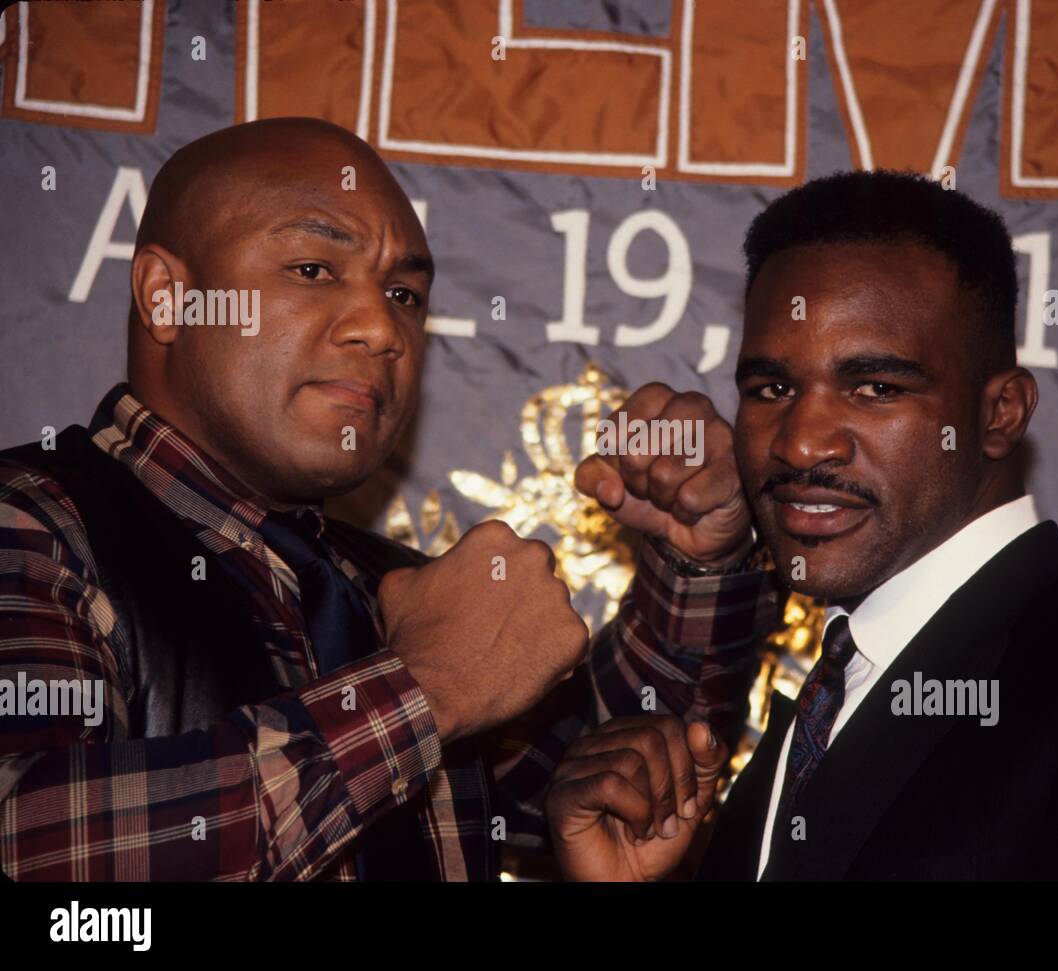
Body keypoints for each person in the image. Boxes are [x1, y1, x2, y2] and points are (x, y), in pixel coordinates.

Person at [0, 118, 783, 881]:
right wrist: (425, 689)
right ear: (168, 297)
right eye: (313, 270)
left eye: (405, 293)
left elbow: (610, 784)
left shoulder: (390, 590)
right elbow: (29, 843)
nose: (382, 328)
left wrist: (694, 559)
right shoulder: (32, 524)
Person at [547, 170, 1058, 881]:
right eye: (772, 387)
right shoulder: (831, 695)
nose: (802, 441)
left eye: (875, 387)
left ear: (1000, 413)